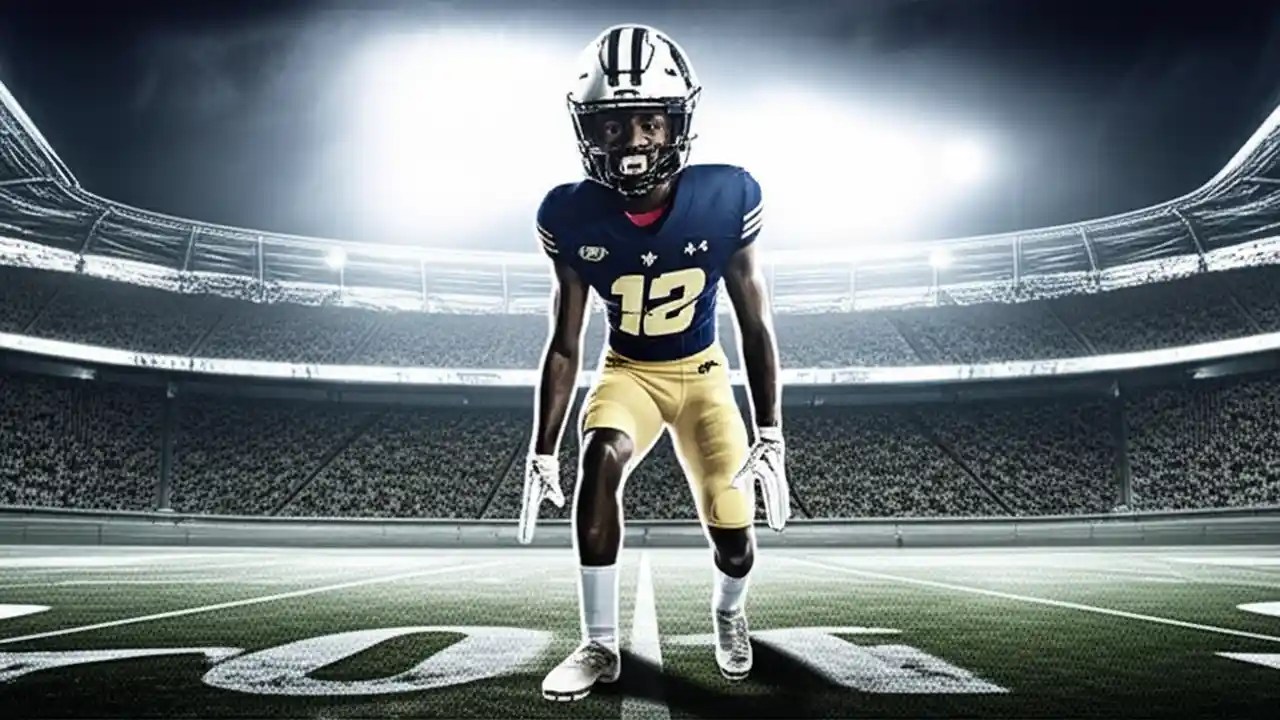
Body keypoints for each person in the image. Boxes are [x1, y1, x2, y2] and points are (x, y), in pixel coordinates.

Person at [517, 23, 790, 702]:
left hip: (701, 375)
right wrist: (544, 448)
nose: (633, 141)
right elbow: (564, 339)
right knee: (600, 456)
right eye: (613, 126)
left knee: (734, 536)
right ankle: (600, 644)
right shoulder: (569, 215)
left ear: (677, 124)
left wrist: (772, 430)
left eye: (648, 122)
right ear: (588, 130)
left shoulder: (728, 197)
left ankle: (729, 614)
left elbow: (754, 320)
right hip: (627, 371)